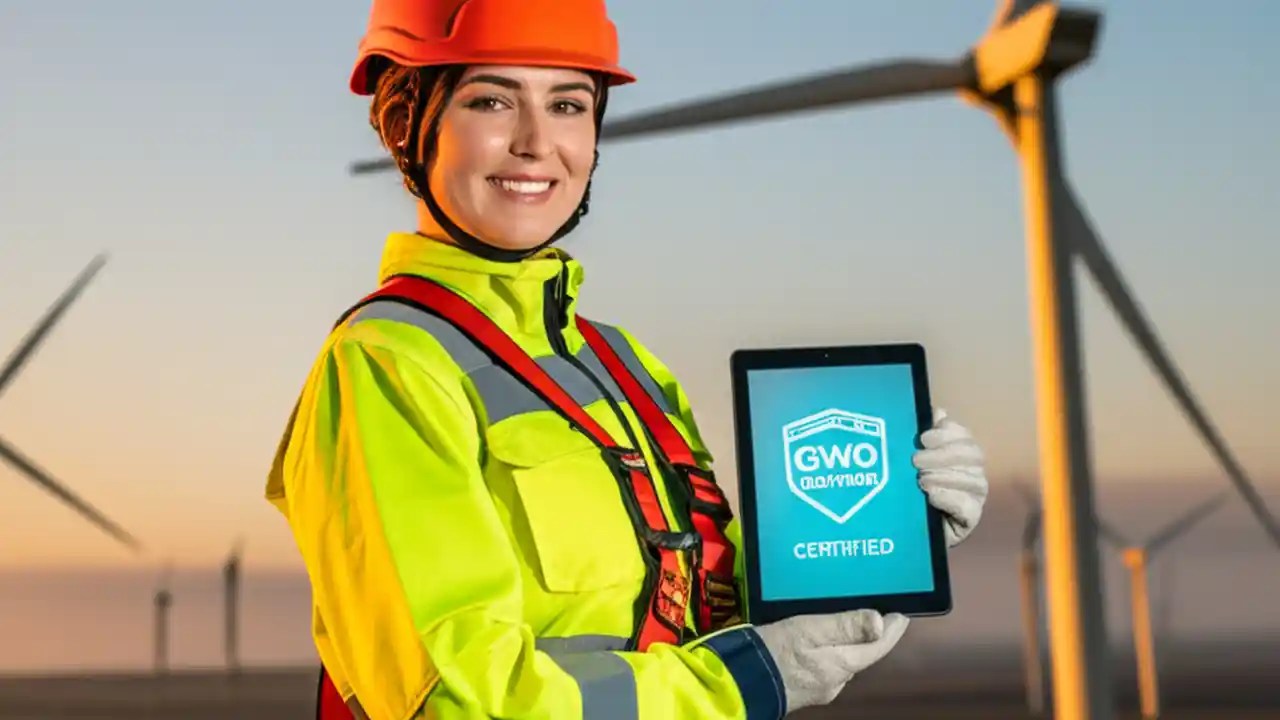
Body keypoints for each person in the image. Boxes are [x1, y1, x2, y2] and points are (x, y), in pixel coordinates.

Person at [264, 1, 991, 718]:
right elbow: (457, 699)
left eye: (569, 105)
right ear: (405, 126)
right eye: (491, 100)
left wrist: (891, 530)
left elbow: (714, 602)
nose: (535, 142)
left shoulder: (621, 361)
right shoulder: (388, 364)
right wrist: (743, 684)